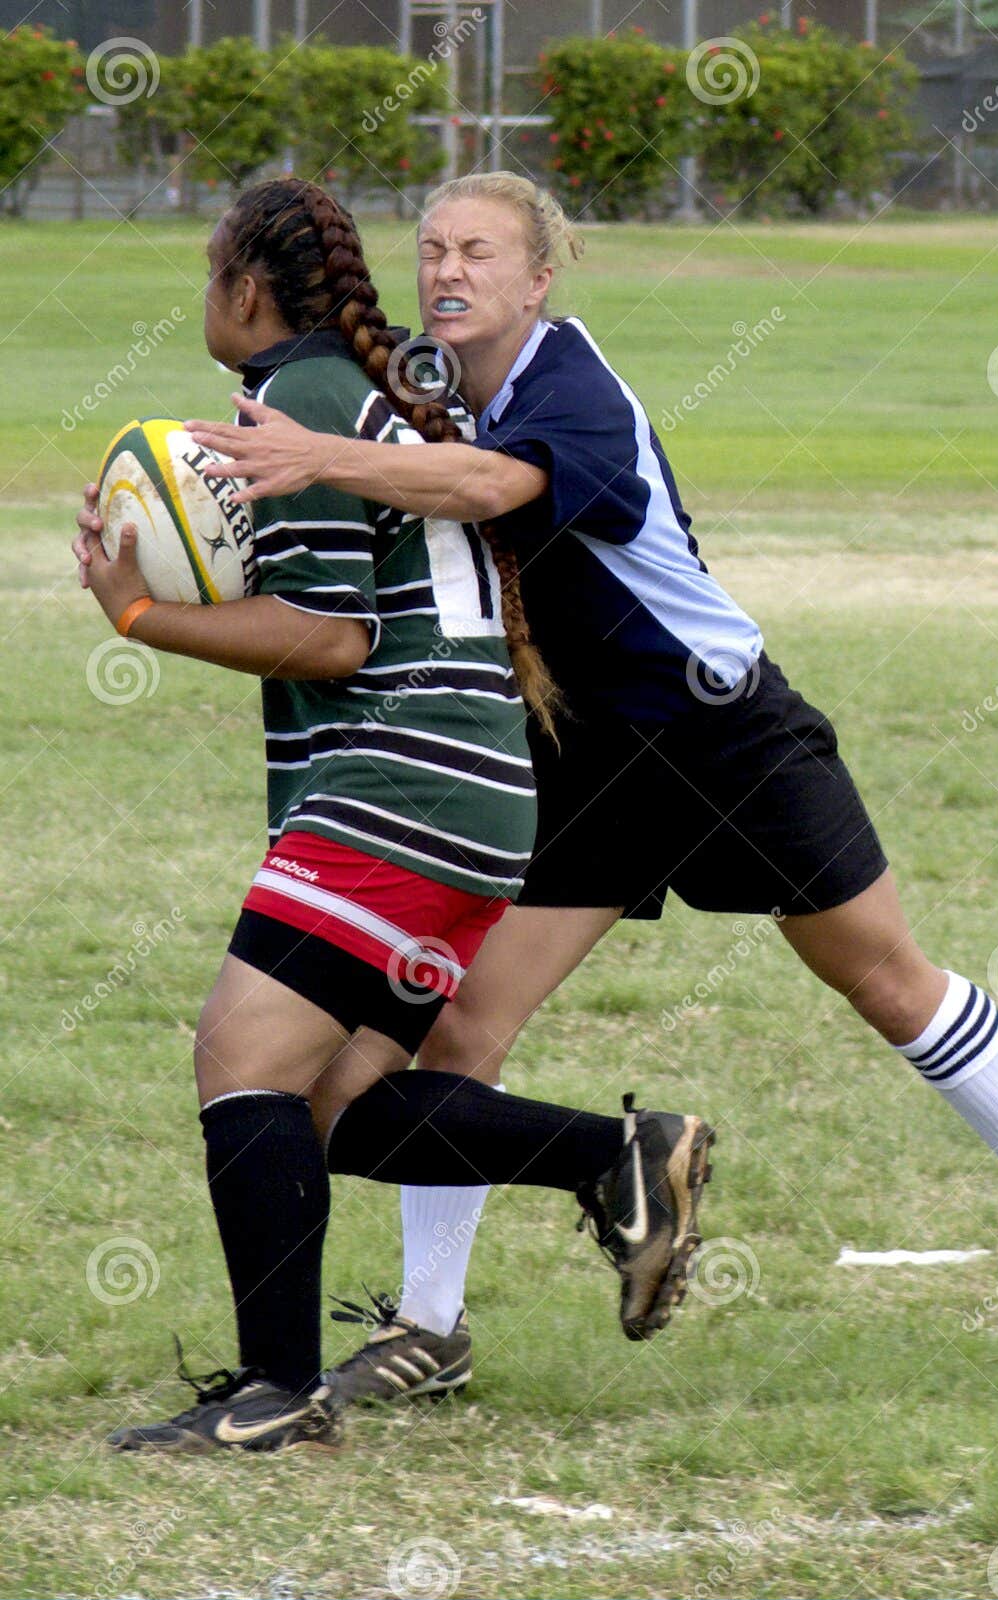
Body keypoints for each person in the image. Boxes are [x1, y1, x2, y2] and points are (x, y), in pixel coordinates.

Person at [83, 170, 998, 1408]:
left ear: (539, 278)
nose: (448, 271)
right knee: (459, 1023)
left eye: (480, 251)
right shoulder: (414, 383)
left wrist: (318, 455)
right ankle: (431, 1326)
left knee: (884, 978)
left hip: (717, 727)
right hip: (576, 754)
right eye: (430, 248)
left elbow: (486, 490)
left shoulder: (568, 387)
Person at [75, 177, 713, 1453]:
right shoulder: (352, 401)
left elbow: (332, 636)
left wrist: (141, 614)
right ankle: (622, 1154)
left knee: (235, 1054)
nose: (205, 292)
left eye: (209, 271)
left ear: (244, 290)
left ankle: (277, 1393)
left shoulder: (306, 400)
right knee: (335, 1108)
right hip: (463, 792)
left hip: (403, 786)